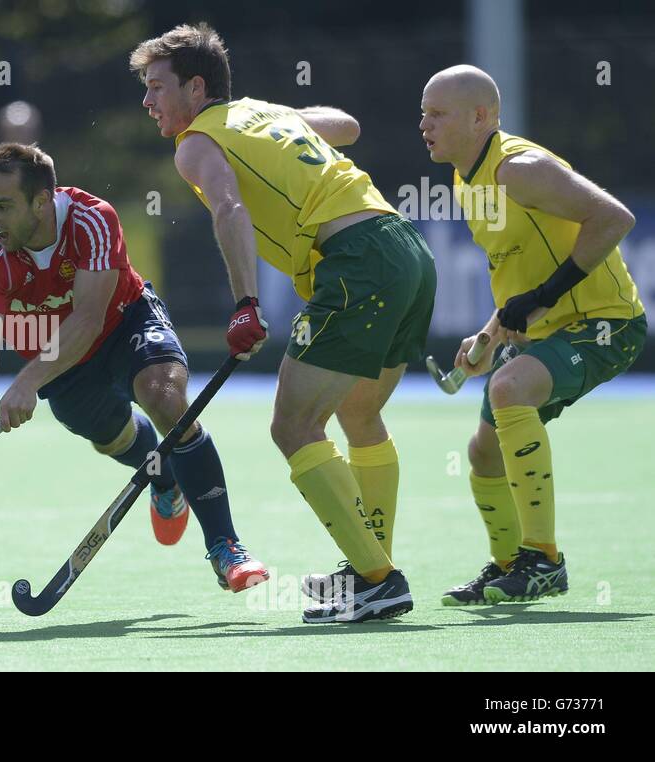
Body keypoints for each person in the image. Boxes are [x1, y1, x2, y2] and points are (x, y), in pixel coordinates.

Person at [132, 23, 437, 623]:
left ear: (196, 89)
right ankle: (371, 569)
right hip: (406, 249)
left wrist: (245, 301)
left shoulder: (195, 142)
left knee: (293, 426)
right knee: (359, 413)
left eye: (157, 87)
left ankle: (378, 578)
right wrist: (276, 123)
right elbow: (346, 126)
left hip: (356, 264)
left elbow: (229, 206)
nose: (148, 102)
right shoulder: (259, 113)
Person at [0, 143, 269, 593]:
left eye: (2, 206)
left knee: (164, 396)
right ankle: (165, 476)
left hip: (125, 322)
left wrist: (28, 381)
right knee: (111, 439)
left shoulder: (91, 218)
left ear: (41, 201)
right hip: (62, 362)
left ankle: (227, 547)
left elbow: (89, 318)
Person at [421, 65, 646, 605]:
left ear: (481, 117)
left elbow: (614, 219)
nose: (423, 125)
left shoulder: (520, 169)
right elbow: (519, 275)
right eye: (422, 113)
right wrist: (490, 336)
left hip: (607, 323)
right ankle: (507, 567)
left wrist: (546, 295)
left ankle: (544, 561)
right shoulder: (464, 178)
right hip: (542, 331)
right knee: (483, 455)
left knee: (508, 391)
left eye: (437, 114)